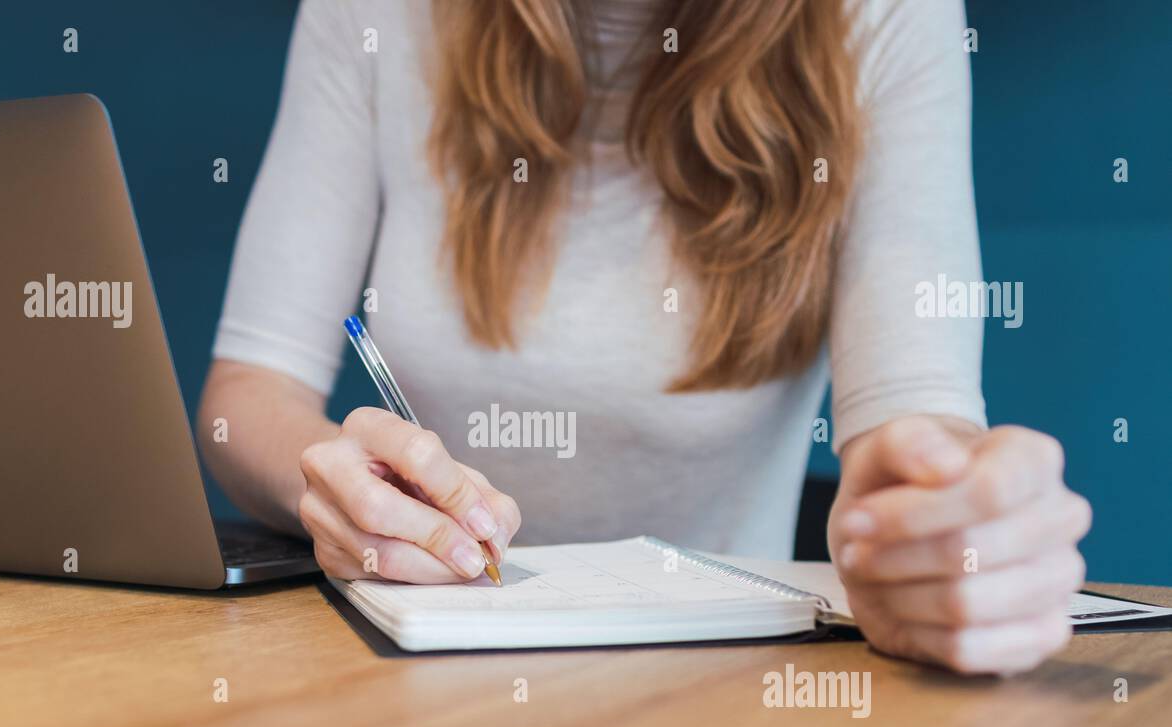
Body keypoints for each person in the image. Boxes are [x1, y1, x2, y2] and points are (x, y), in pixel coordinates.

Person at [198, 0, 1091, 674]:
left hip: (724, 694)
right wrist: (339, 478)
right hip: (397, 672)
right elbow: (248, 397)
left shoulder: (888, 18)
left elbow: (916, 433)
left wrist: (951, 525)